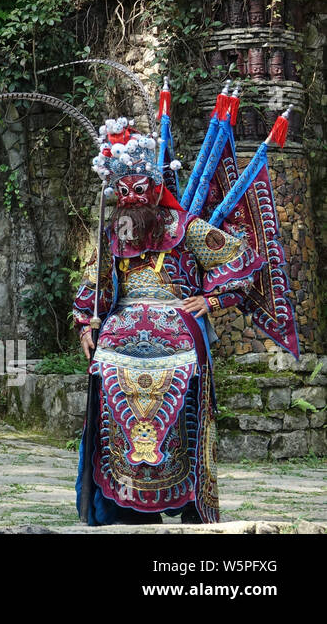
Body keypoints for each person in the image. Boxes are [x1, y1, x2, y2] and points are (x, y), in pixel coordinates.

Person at [75, 119, 261, 525]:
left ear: (156, 190)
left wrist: (211, 299)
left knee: (182, 400)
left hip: (178, 330)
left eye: (139, 190)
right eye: (122, 193)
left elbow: (242, 259)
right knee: (106, 368)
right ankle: (125, 505)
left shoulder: (184, 227)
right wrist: (87, 325)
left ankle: (185, 495)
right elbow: (97, 281)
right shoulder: (115, 232)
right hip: (119, 336)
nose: (130, 200)